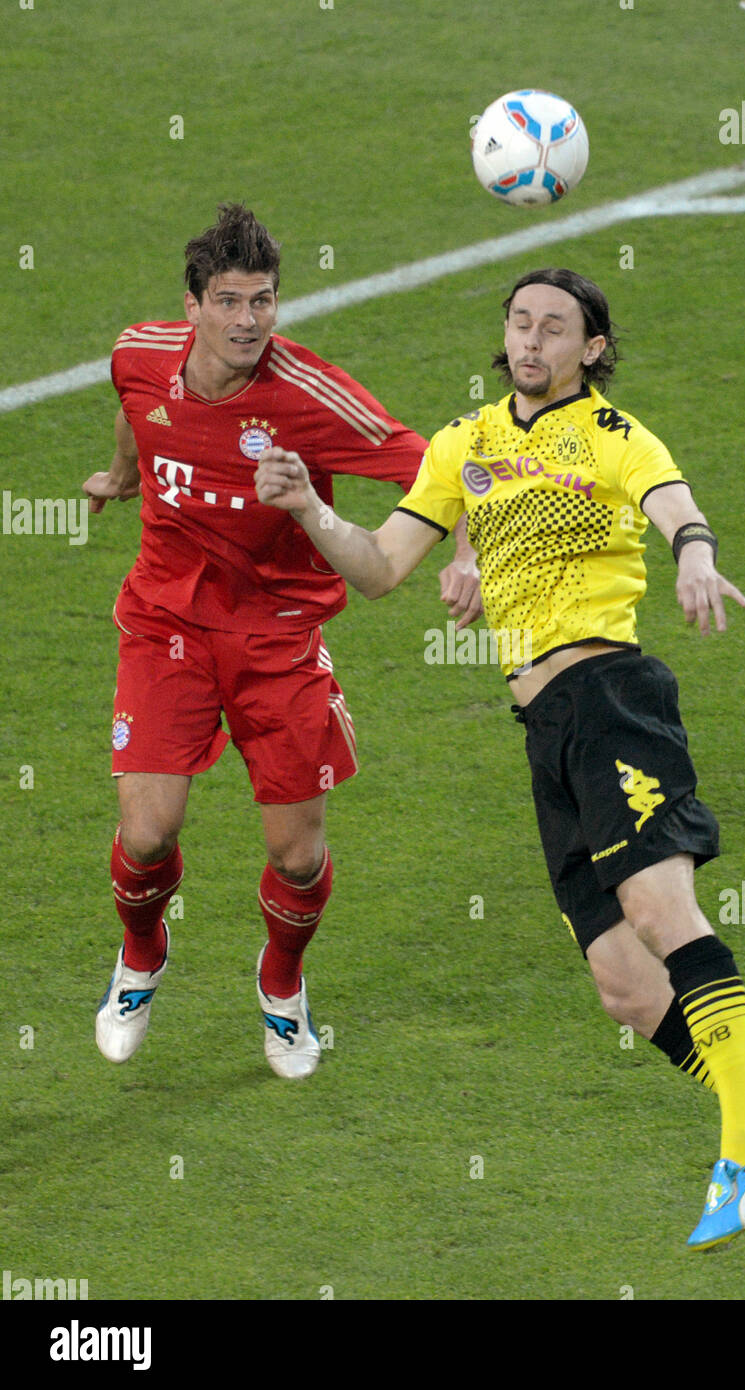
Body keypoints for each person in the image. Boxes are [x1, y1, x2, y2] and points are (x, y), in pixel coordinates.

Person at [253, 266, 745, 1260]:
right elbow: (377, 567)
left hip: (613, 701)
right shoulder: (465, 445)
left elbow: (674, 505)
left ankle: (744, 1149)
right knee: (628, 989)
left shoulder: (612, 436)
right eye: (519, 323)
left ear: (592, 348)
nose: (532, 341)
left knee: (659, 915)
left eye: (556, 328)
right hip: (544, 735)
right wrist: (305, 510)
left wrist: (693, 553)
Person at [82, 203, 480, 1081]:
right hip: (167, 621)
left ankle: (283, 984)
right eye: (228, 301)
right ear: (191, 306)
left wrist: (468, 547)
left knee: (296, 855)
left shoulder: (308, 396)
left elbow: (441, 461)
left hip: (279, 633)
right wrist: (121, 474)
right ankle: (142, 955)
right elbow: (132, 406)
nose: (248, 321)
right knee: (147, 837)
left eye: (263, 300)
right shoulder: (139, 354)